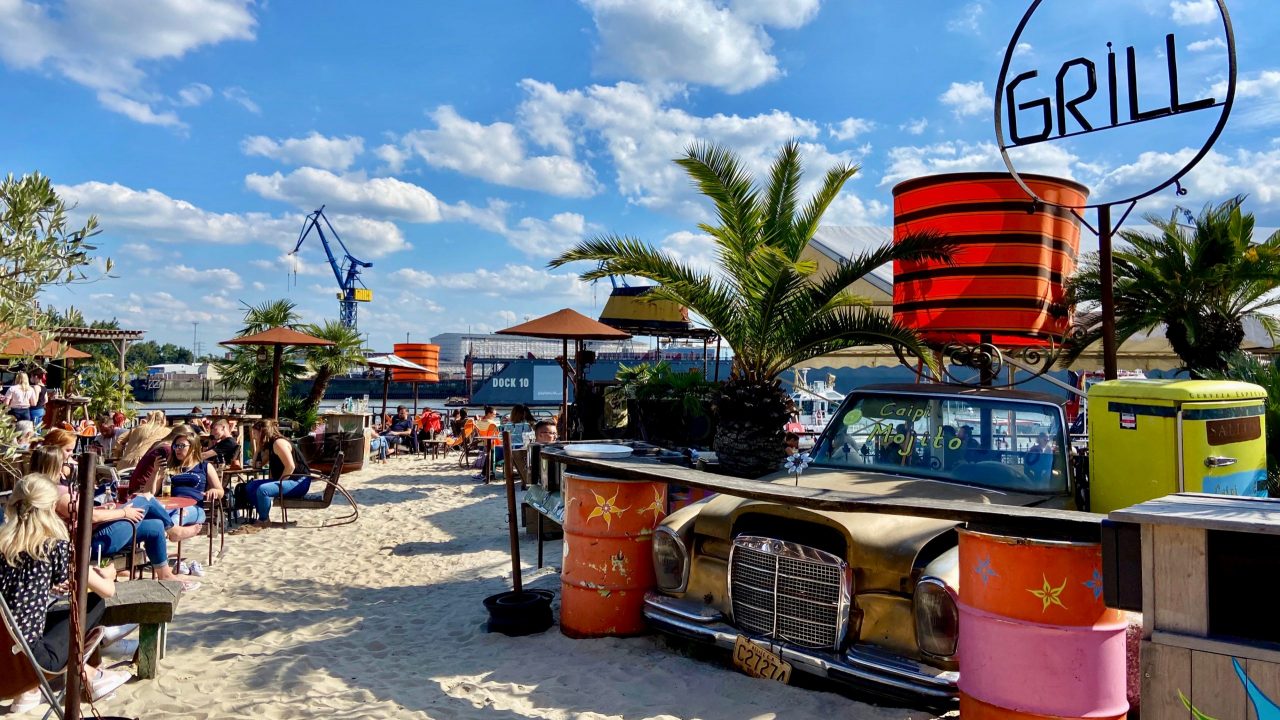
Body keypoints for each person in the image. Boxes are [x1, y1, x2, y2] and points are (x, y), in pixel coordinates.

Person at [0, 475, 131, 711]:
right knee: (93, 602)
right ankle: (91, 673)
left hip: (4, 662)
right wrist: (109, 574)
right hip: (31, 663)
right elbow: (107, 591)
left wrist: (47, 586)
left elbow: (16, 595)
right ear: (51, 507)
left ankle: (32, 693)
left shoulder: (2, 545)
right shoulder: (53, 546)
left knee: (50, 613)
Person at [236, 419, 312, 533]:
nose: (254, 437)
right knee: (250, 487)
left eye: (255, 434)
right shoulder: (271, 445)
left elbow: (290, 467)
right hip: (288, 480)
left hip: (299, 482)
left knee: (263, 490)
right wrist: (258, 448)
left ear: (262, 432)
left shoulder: (278, 443)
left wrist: (279, 484)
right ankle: (264, 515)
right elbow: (258, 464)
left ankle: (263, 520)